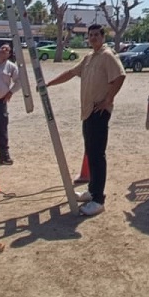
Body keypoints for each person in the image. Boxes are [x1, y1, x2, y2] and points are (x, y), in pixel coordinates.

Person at [46, 24, 125, 217]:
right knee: (91, 153)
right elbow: (72, 73)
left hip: (99, 112)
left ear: (103, 37)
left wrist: (108, 99)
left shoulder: (107, 56)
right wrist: (49, 83)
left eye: (97, 35)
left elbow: (120, 76)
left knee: (98, 155)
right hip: (88, 112)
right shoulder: (89, 58)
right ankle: (92, 191)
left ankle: (98, 200)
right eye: (91, 35)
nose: (93, 38)